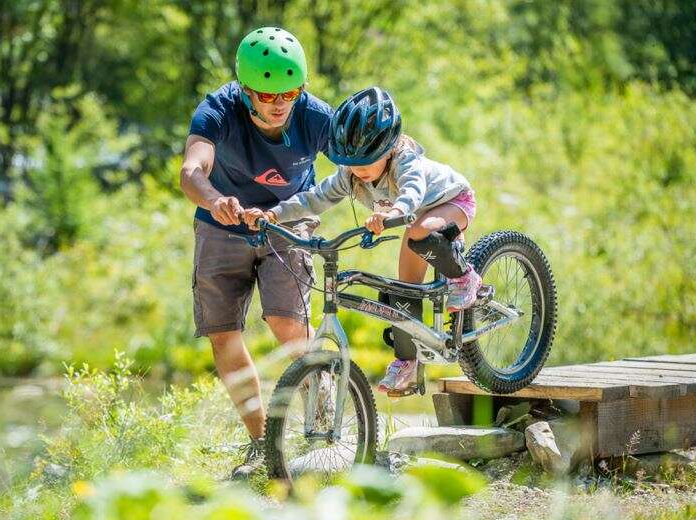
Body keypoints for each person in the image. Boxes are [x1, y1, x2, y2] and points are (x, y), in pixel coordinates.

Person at [244, 87, 481, 394]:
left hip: (451, 202)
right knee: (403, 291)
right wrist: (274, 214)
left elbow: (412, 190)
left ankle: (465, 277)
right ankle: (406, 362)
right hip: (412, 219)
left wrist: (393, 212)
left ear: (388, 147)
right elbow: (315, 198)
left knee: (418, 232)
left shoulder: (405, 161)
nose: (359, 170)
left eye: (367, 161)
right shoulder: (351, 174)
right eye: (351, 162)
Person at [179, 27, 334, 479]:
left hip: (288, 219)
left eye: (289, 91)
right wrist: (214, 200)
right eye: (267, 95)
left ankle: (327, 427)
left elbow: (362, 156)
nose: (279, 103)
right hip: (221, 221)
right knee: (223, 331)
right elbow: (192, 170)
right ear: (246, 90)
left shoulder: (315, 116)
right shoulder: (217, 109)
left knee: (287, 322)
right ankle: (262, 443)